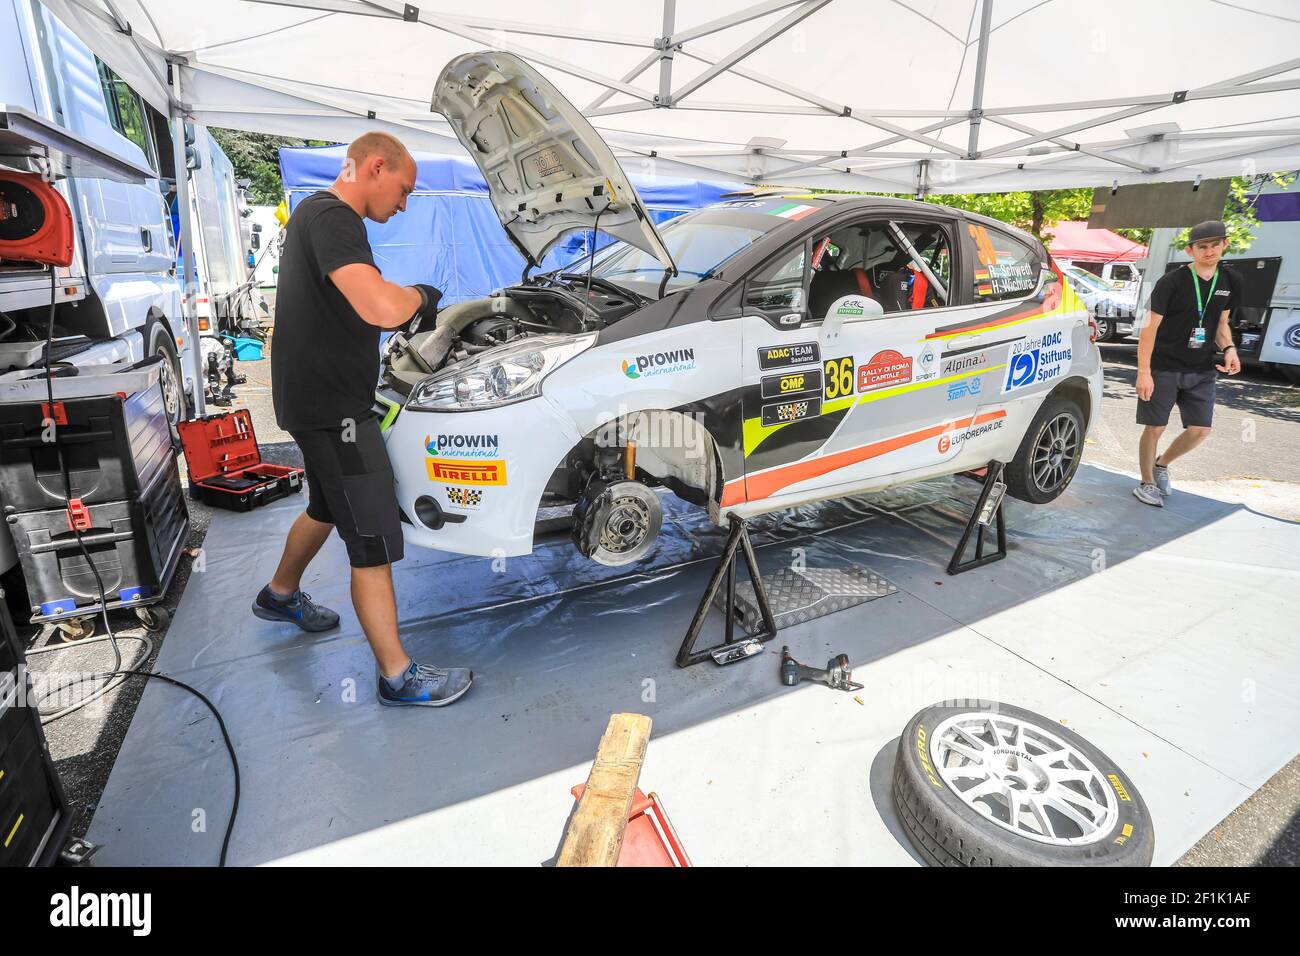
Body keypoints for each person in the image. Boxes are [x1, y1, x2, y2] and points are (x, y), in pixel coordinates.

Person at [251, 131, 474, 708]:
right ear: (375, 167)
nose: (403, 205)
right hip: (335, 412)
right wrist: (424, 297)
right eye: (403, 190)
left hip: (312, 403)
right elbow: (379, 307)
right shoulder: (332, 216)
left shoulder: (315, 215)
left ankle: (279, 594)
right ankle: (398, 677)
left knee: (326, 505)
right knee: (371, 535)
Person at [1133, 220, 1242, 507]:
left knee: (1200, 430)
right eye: (1202, 247)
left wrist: (1229, 348)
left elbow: (1220, 323)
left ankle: (1162, 464)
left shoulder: (1230, 281)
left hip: (1201, 369)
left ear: (1225, 245)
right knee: (1155, 427)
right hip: (1164, 366)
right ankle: (1146, 483)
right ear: (1190, 250)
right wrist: (1144, 372)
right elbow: (1149, 329)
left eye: (1215, 245)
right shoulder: (1172, 282)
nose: (1209, 251)